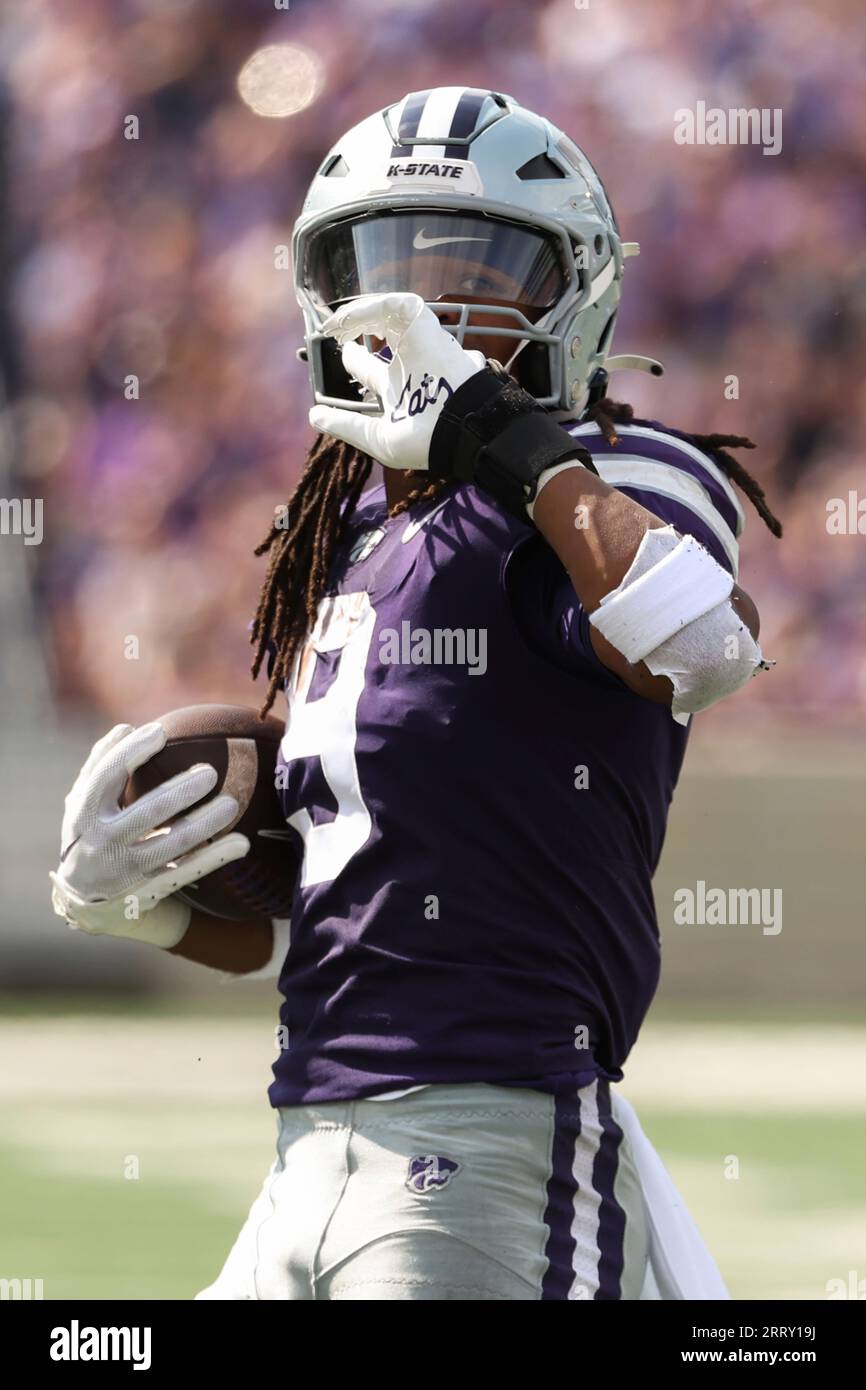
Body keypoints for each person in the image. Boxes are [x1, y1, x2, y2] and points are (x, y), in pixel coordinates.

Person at [50, 88, 781, 1300]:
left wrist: (509, 438)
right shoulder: (345, 529)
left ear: (574, 287)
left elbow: (700, 649)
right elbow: (331, 900)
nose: (427, 315)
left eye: (476, 276)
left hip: (487, 1126)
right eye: (382, 272)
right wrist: (142, 905)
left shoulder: (617, 472)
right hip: (307, 1141)